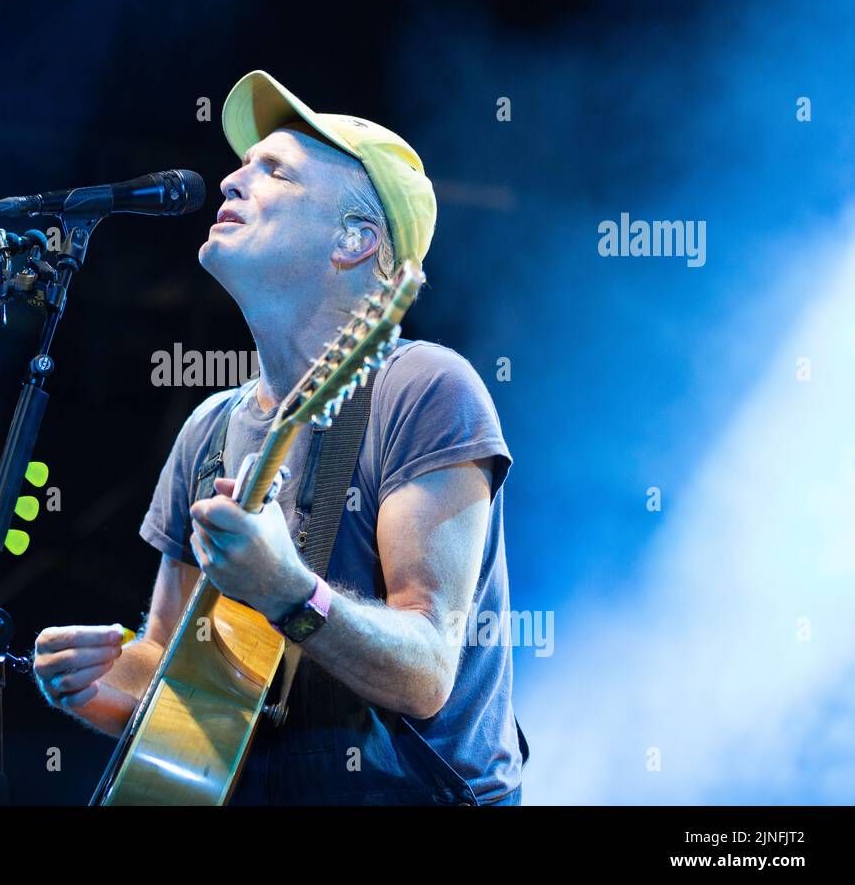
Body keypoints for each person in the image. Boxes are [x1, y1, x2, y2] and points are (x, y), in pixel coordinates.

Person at [34, 70, 527, 804]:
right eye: (244, 163)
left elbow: (425, 673)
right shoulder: (206, 432)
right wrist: (91, 682)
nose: (232, 179)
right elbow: (181, 680)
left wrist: (288, 590)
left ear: (355, 239)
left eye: (275, 171)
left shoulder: (424, 387)